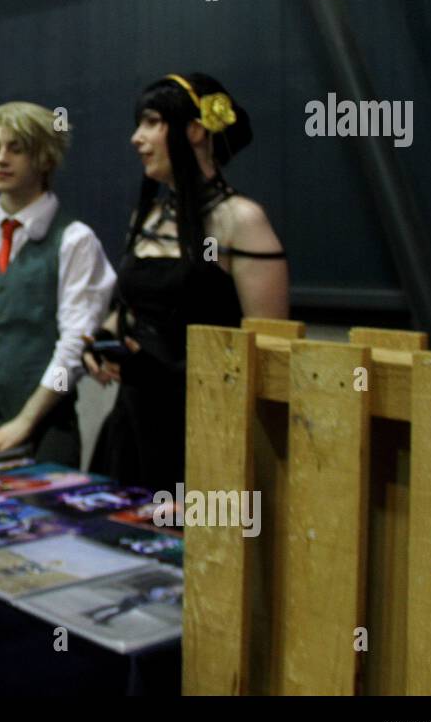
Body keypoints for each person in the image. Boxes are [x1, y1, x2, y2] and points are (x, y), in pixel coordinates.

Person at [84, 73, 288, 490]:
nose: (136, 139)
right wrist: (103, 342)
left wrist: (167, 368)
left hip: (202, 429)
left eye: (151, 122)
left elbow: (271, 348)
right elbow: (132, 308)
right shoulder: (148, 220)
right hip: (133, 422)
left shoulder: (241, 221)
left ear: (195, 130)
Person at [0, 101, 116, 465]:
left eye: (16, 149)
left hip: (47, 431)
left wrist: (26, 421)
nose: (1, 159)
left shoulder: (75, 240)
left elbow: (75, 345)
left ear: (44, 158)